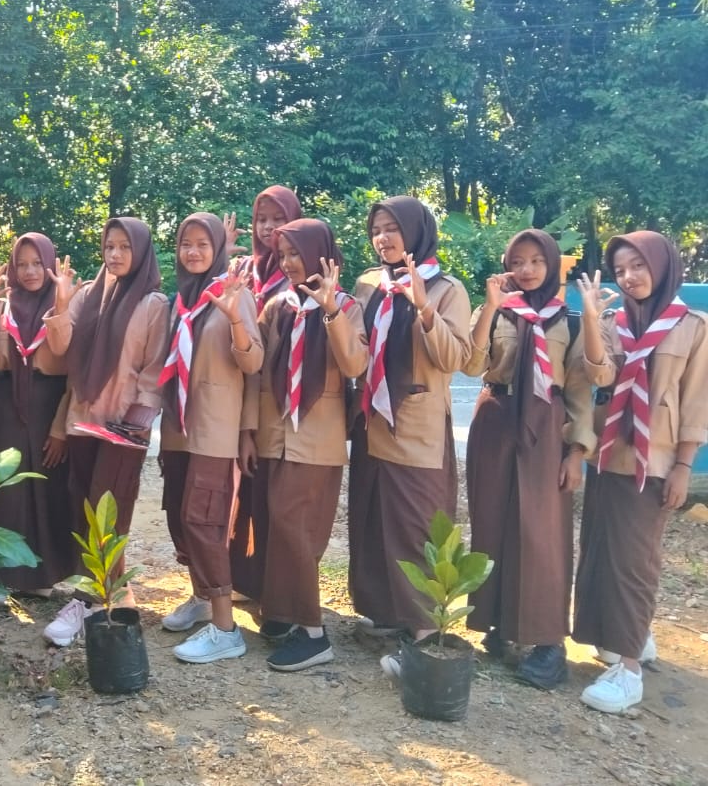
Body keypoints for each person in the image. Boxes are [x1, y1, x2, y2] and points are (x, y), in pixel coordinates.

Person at [573, 232, 708, 714]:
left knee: (635, 559)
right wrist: (591, 317)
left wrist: (684, 467)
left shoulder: (693, 326)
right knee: (601, 548)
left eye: (638, 266)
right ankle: (621, 638)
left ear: (662, 266)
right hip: (610, 452)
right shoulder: (613, 322)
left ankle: (628, 670)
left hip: (656, 459)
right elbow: (601, 376)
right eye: (621, 268)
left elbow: (696, 404)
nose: (629, 277)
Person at [344, 197, 472, 679]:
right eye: (377, 229)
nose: (384, 238)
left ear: (417, 232)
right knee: (373, 519)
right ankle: (384, 611)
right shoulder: (367, 283)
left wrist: (423, 307)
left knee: (415, 525)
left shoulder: (446, 289)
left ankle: (422, 638)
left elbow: (454, 359)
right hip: (371, 421)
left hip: (415, 424)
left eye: (394, 228)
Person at [463, 229, 593, 690]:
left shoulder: (570, 321)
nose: (527, 269)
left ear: (553, 265)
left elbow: (579, 388)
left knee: (543, 533)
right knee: (493, 523)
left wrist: (577, 451)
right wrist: (491, 307)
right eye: (518, 260)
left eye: (537, 261)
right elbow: (467, 363)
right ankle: (499, 623)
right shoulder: (496, 308)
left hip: (546, 425)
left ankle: (546, 642)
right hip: (496, 419)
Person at [240, 218, 368, 671]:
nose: (290, 263)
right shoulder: (278, 305)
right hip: (275, 435)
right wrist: (248, 433)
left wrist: (330, 311)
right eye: (284, 254)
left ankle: (313, 633)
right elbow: (257, 376)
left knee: (297, 527)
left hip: (317, 439)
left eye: (297, 253)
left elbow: (355, 364)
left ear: (320, 255)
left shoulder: (347, 306)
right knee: (275, 524)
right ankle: (281, 613)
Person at [40, 217, 168, 646]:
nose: (114, 255)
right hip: (83, 420)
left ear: (141, 252)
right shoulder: (88, 296)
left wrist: (136, 424)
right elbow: (60, 351)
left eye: (123, 247)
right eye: (109, 246)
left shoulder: (153, 304)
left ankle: (87, 600)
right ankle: (115, 595)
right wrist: (61, 303)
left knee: (107, 514)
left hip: (123, 428)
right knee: (84, 508)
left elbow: (152, 373)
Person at [157, 213, 262, 664]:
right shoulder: (176, 300)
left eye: (203, 243)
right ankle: (201, 597)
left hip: (214, 429)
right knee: (179, 517)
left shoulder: (235, 294)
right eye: (186, 243)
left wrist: (236, 318)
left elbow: (254, 363)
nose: (194, 251)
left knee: (204, 519)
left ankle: (225, 628)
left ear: (217, 249)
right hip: (178, 426)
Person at [0, 233, 72, 596]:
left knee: (47, 487)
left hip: (50, 402)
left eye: (37, 263)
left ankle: (43, 576)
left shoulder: (66, 302)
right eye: (21, 264)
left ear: (50, 265)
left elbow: (71, 362)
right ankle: (1, 576)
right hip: (7, 404)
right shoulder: (1, 307)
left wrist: (60, 427)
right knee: (6, 491)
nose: (29, 271)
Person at [228, 185, 303, 603]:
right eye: (262, 219)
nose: (270, 227)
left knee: (262, 490)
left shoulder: (301, 273)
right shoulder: (242, 268)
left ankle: (264, 584)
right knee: (228, 493)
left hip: (271, 399)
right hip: (228, 393)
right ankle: (234, 581)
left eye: (278, 218)